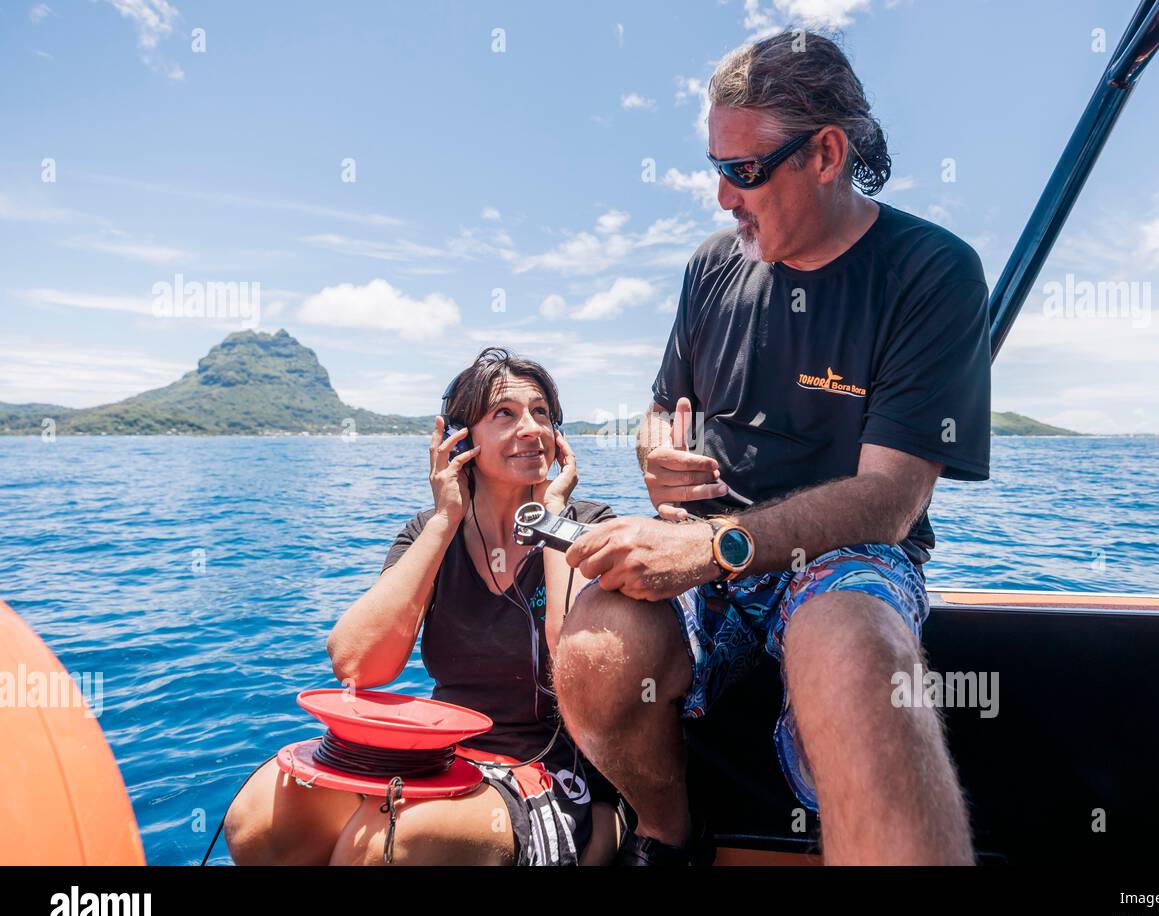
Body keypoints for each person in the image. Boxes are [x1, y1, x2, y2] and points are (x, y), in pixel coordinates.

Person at [551, 31, 991, 865]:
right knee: (594, 661)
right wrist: (655, 457)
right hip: (705, 543)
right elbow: (656, 407)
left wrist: (712, 548)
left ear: (827, 153)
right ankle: (670, 833)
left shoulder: (931, 271)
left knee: (862, 667)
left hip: (846, 555)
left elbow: (891, 501)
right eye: (714, 166)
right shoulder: (712, 266)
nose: (722, 196)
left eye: (743, 170)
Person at [224, 347, 623, 865]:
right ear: (460, 440)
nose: (530, 429)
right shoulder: (428, 534)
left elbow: (572, 664)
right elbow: (356, 665)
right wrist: (443, 519)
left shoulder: (587, 527)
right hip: (444, 757)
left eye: (541, 413)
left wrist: (551, 517)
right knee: (259, 820)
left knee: (383, 845)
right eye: (505, 414)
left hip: (553, 768)